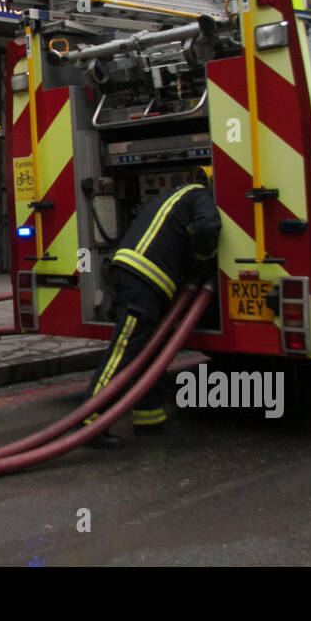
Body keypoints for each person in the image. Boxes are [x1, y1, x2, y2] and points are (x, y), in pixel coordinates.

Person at [85, 167, 221, 449]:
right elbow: (208, 227)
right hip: (143, 280)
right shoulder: (201, 196)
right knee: (126, 350)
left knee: (152, 349)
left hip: (141, 277)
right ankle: (90, 420)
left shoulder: (175, 198)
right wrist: (203, 258)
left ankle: (149, 416)